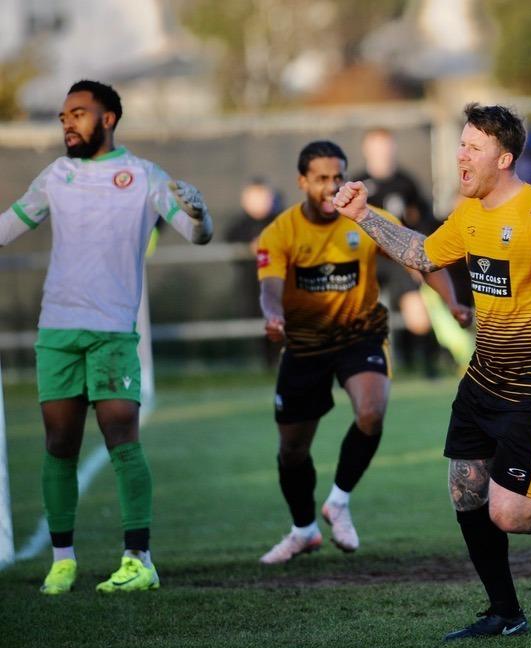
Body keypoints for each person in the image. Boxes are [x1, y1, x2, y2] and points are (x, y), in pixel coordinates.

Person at [334, 103, 531, 640]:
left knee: (512, 515)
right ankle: (505, 612)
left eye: (472, 148)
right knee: (464, 492)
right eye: (460, 144)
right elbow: (424, 254)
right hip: (483, 379)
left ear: (503, 158)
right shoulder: (469, 211)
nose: (461, 155)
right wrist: (365, 214)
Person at [0, 80, 213, 594]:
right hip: (57, 331)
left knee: (122, 442)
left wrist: (198, 211)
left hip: (114, 333)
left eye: (79, 112)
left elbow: (197, 235)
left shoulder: (143, 176)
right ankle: (63, 560)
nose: (68, 122)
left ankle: (138, 559)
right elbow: (7, 226)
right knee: (58, 446)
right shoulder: (56, 175)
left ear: (109, 118)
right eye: (63, 115)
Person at [255, 140, 467, 564]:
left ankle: (338, 501)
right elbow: (270, 287)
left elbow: (420, 256)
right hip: (306, 344)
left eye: (338, 177)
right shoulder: (280, 232)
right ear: (302, 182)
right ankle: (303, 530)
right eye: (321, 179)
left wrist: (452, 301)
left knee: (371, 412)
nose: (332, 187)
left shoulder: (366, 219)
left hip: (359, 334)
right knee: (292, 449)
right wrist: (274, 316)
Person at [349, 128, 451, 378]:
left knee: (417, 309)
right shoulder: (357, 183)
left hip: (397, 260)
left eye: (386, 147)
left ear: (393, 149)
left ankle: (429, 367)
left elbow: (423, 220)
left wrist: (417, 257)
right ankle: (355, 367)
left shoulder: (405, 183)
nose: (382, 153)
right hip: (366, 259)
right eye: (377, 147)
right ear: (367, 150)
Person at [225, 177, 282, 369]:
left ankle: (280, 361)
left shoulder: (280, 221)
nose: (259, 202)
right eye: (254, 197)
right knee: (256, 322)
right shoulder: (239, 226)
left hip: (278, 283)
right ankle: (267, 365)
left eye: (263, 197)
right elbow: (231, 240)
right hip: (251, 285)